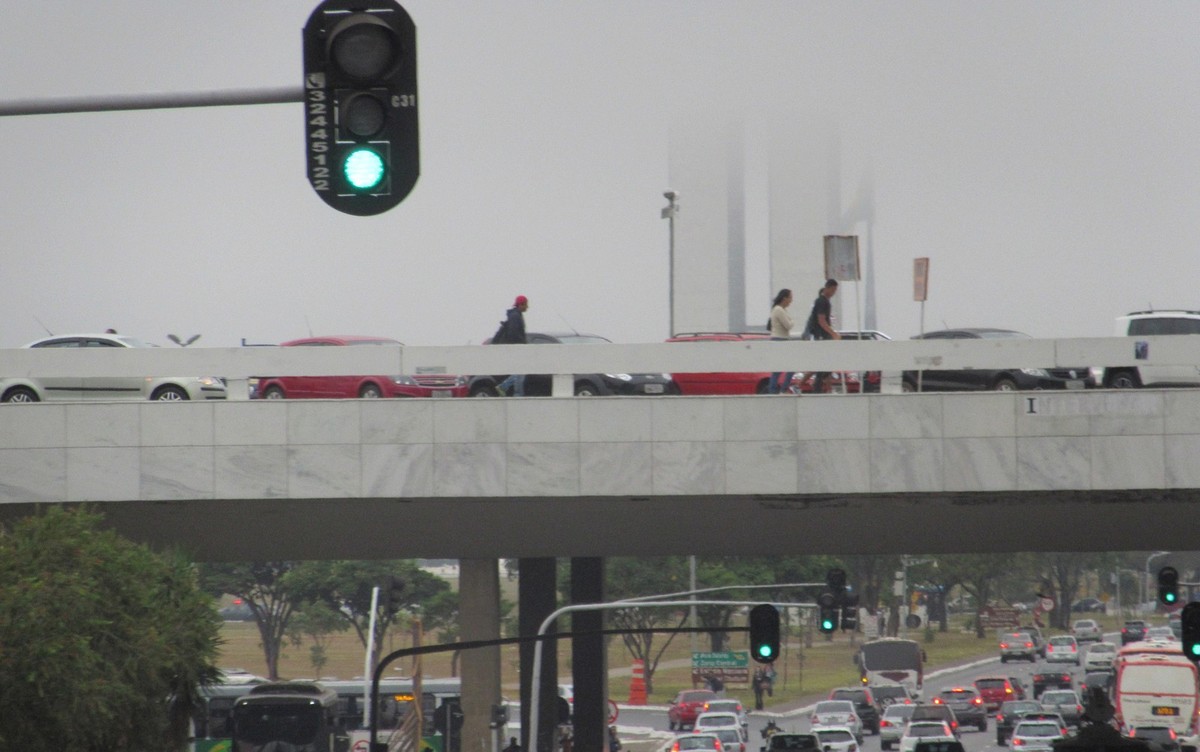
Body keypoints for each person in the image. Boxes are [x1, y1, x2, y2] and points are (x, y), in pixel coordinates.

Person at [804, 279, 842, 392]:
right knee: (822, 364)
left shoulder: (825, 302)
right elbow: (821, 320)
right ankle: (816, 388)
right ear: (828, 288)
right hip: (821, 335)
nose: (834, 293)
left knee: (826, 364)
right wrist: (833, 333)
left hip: (824, 335)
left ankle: (824, 388)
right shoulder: (821, 301)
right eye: (833, 290)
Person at [495, 295, 529, 396]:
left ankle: (504, 387)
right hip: (517, 349)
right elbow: (514, 334)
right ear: (521, 304)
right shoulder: (515, 316)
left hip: (517, 349)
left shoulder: (515, 315)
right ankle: (517, 395)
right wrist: (521, 345)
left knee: (520, 372)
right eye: (526, 304)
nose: (527, 307)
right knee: (520, 372)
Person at [766, 288, 795, 394]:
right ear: (784, 298)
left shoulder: (780, 310)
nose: (791, 300)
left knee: (779, 369)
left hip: (781, 339)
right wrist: (792, 321)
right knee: (786, 367)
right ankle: (780, 389)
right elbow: (788, 325)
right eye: (790, 297)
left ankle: (775, 390)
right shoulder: (779, 310)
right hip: (780, 339)